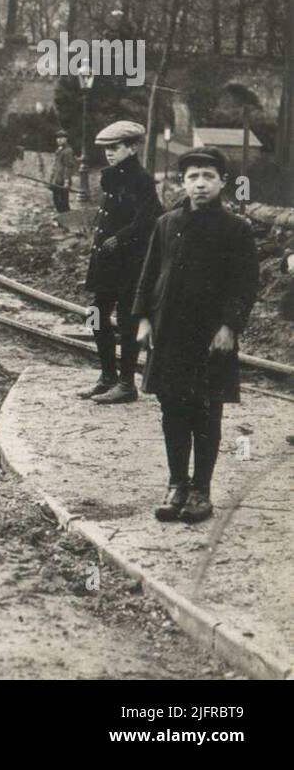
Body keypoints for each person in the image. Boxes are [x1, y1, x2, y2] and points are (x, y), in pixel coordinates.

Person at [132, 147, 259, 524]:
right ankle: (176, 485)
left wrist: (229, 326)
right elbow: (149, 273)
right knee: (172, 410)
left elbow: (244, 284)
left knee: (206, 413)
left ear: (221, 182)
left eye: (208, 176)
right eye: (192, 177)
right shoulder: (166, 223)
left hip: (209, 337)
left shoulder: (236, 229)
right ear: (182, 182)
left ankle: (201, 491)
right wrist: (142, 319)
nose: (200, 184)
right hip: (168, 332)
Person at [80, 120, 162, 404]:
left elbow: (149, 218)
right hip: (108, 261)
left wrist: (120, 238)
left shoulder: (141, 179)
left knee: (128, 321)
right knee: (96, 313)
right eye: (106, 149)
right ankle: (107, 376)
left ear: (132, 147)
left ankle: (127, 384)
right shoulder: (113, 176)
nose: (109, 153)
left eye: (115, 148)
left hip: (129, 261)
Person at [50, 130, 78, 214]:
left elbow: (68, 167)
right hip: (56, 179)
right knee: (56, 200)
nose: (59, 140)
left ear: (66, 139)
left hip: (62, 180)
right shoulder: (59, 150)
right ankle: (61, 218)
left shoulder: (68, 151)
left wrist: (66, 181)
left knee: (63, 201)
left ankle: (66, 219)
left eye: (61, 138)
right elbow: (55, 166)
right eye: (57, 138)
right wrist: (51, 179)